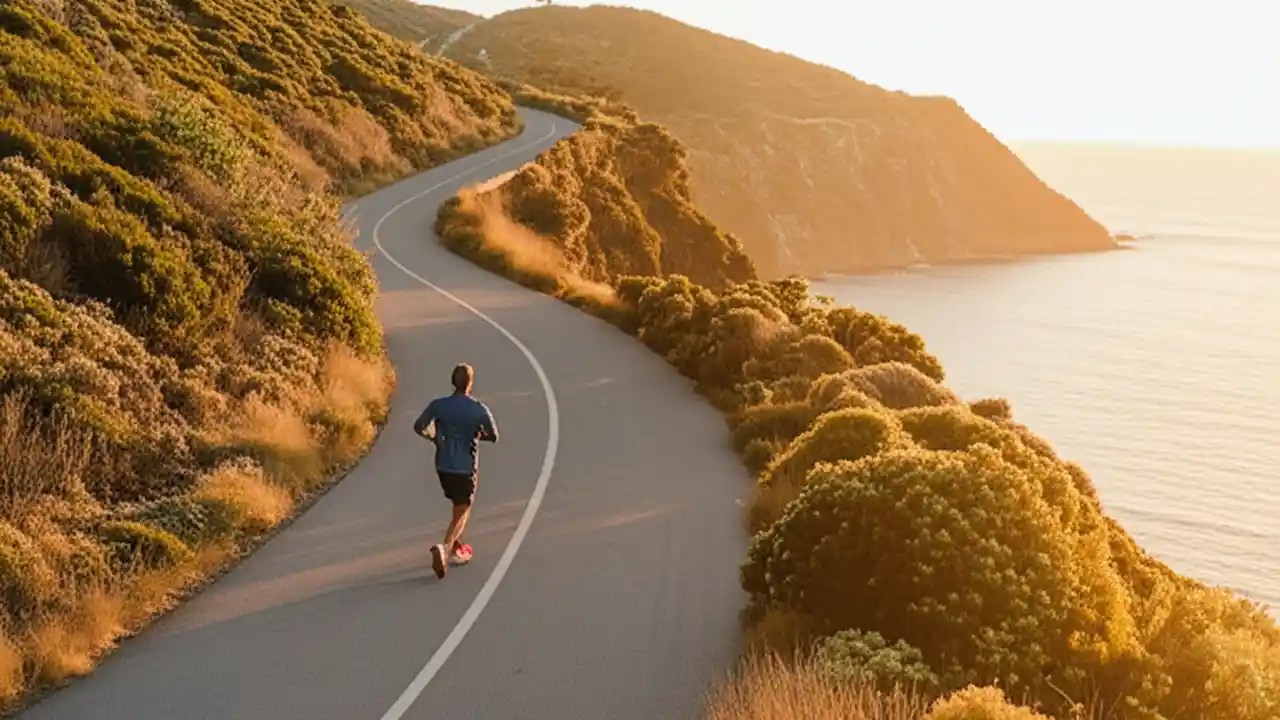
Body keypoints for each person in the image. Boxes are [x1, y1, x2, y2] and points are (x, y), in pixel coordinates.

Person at [412, 363, 499, 579]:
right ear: (470, 383)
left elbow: (418, 426)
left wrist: (435, 439)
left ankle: (457, 544)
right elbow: (494, 435)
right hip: (465, 466)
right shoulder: (479, 409)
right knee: (464, 508)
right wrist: (478, 435)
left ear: (453, 381)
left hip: (443, 465)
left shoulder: (438, 405)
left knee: (457, 503)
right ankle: (445, 547)